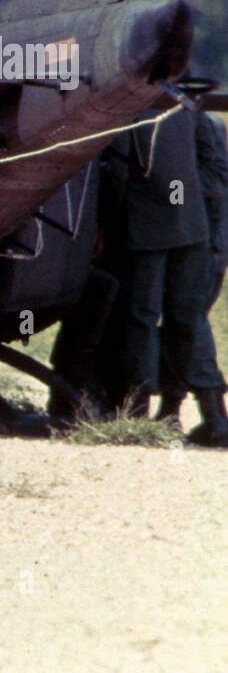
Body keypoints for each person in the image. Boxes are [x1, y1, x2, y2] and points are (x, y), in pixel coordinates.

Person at [105, 107, 228, 440]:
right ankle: (206, 413)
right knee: (188, 320)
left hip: (151, 228)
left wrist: (110, 225)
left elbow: (116, 175)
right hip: (194, 229)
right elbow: (212, 174)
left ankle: (139, 409)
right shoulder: (192, 112)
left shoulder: (128, 112)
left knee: (142, 319)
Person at [156, 110, 228, 446]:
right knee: (180, 325)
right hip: (204, 243)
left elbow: (207, 189)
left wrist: (170, 191)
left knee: (187, 321)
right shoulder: (201, 121)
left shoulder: (200, 123)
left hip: (202, 245)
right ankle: (172, 409)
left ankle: (214, 414)